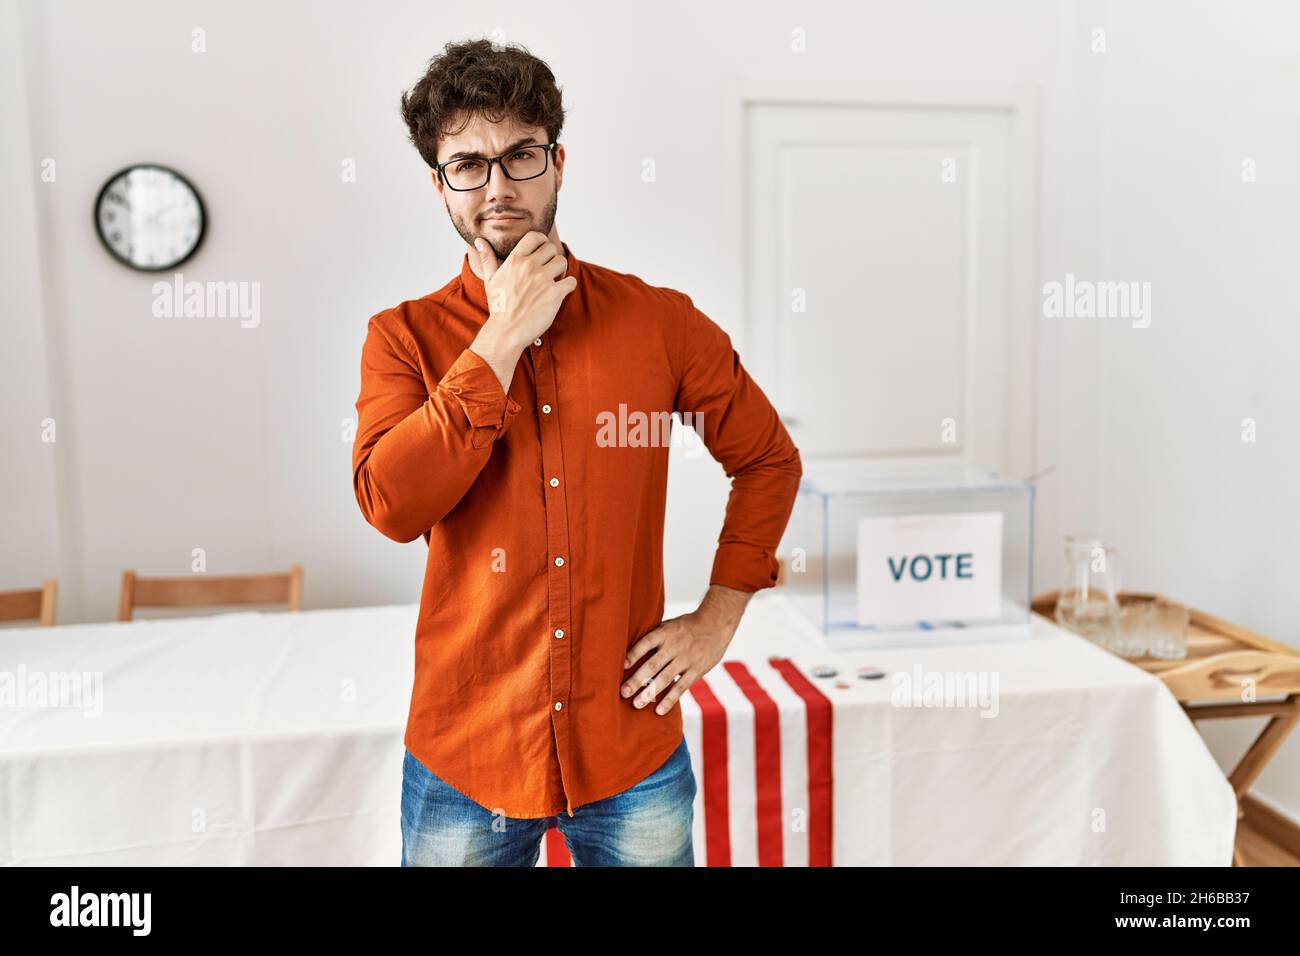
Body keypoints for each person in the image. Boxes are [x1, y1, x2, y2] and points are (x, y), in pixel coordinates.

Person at [353, 37, 802, 866]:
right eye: (467, 164)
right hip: (466, 755)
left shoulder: (660, 323)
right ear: (438, 183)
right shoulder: (402, 340)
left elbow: (769, 458)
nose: (497, 186)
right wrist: (500, 339)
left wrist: (720, 614)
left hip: (630, 750)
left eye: (520, 154)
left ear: (558, 163)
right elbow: (392, 505)